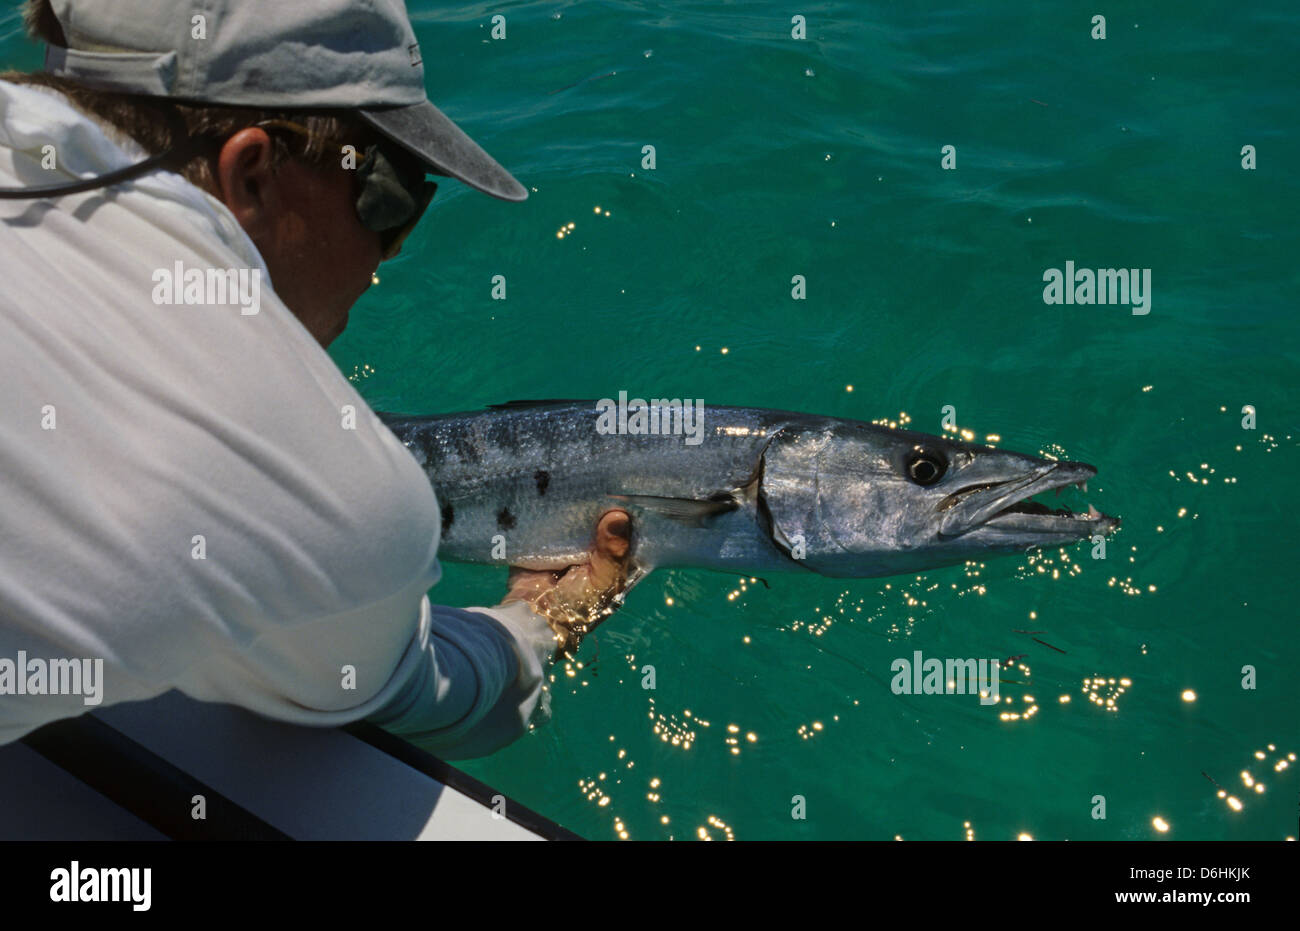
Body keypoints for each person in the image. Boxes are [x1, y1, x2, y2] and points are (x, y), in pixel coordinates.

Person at [0, 0, 631, 759]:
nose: (392, 248)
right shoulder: (326, 487)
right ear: (253, 174)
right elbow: (431, 694)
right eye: (391, 193)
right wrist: (543, 616)